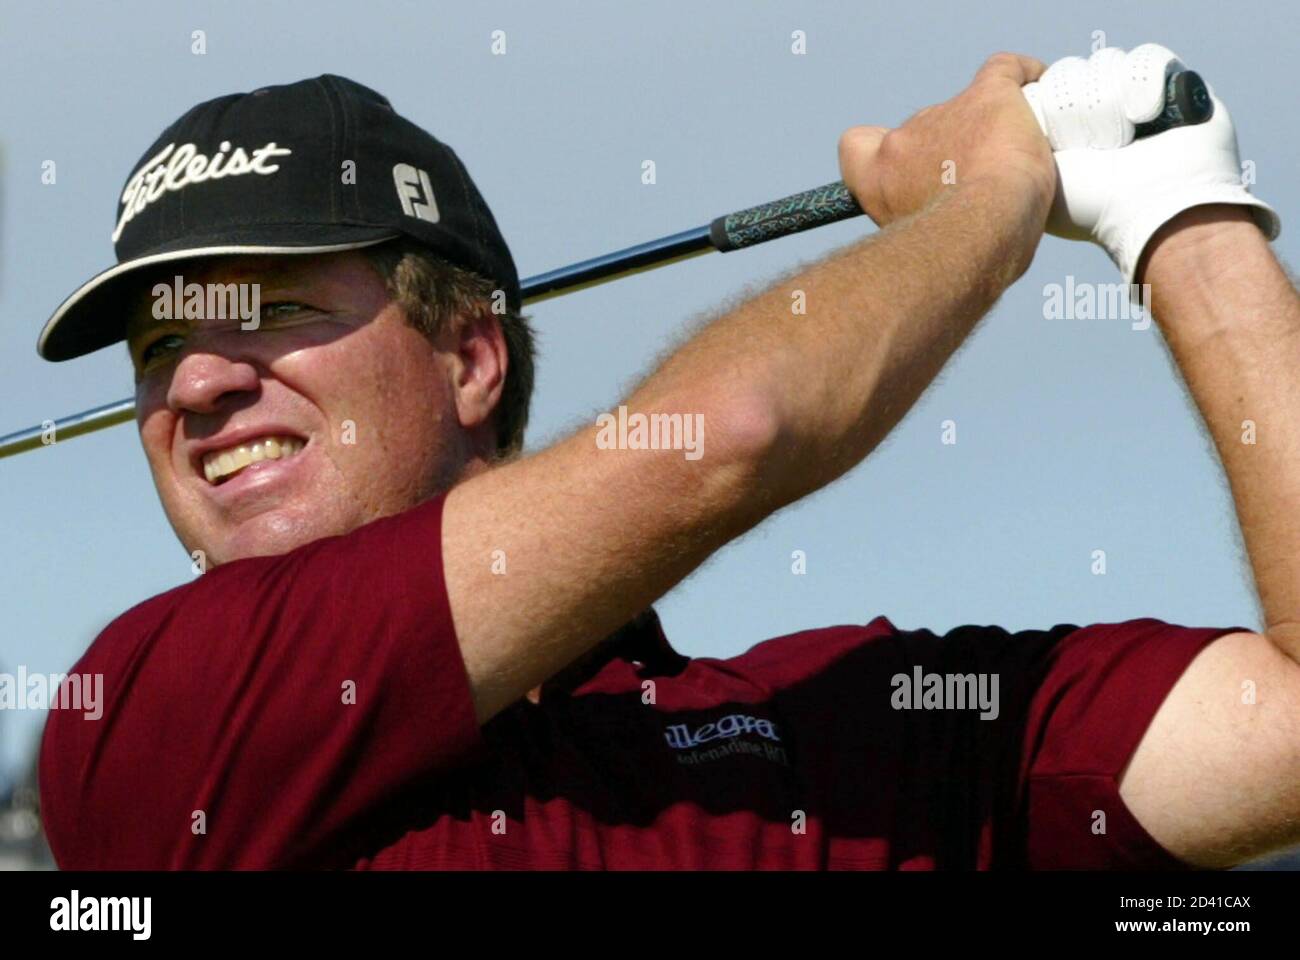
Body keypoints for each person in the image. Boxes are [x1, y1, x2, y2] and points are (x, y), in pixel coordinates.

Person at [38, 46, 1299, 870]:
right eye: (161, 345)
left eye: (275, 312)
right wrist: (986, 198)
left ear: (472, 360)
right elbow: (725, 439)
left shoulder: (835, 738)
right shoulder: (158, 716)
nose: (195, 384)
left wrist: (1179, 215)